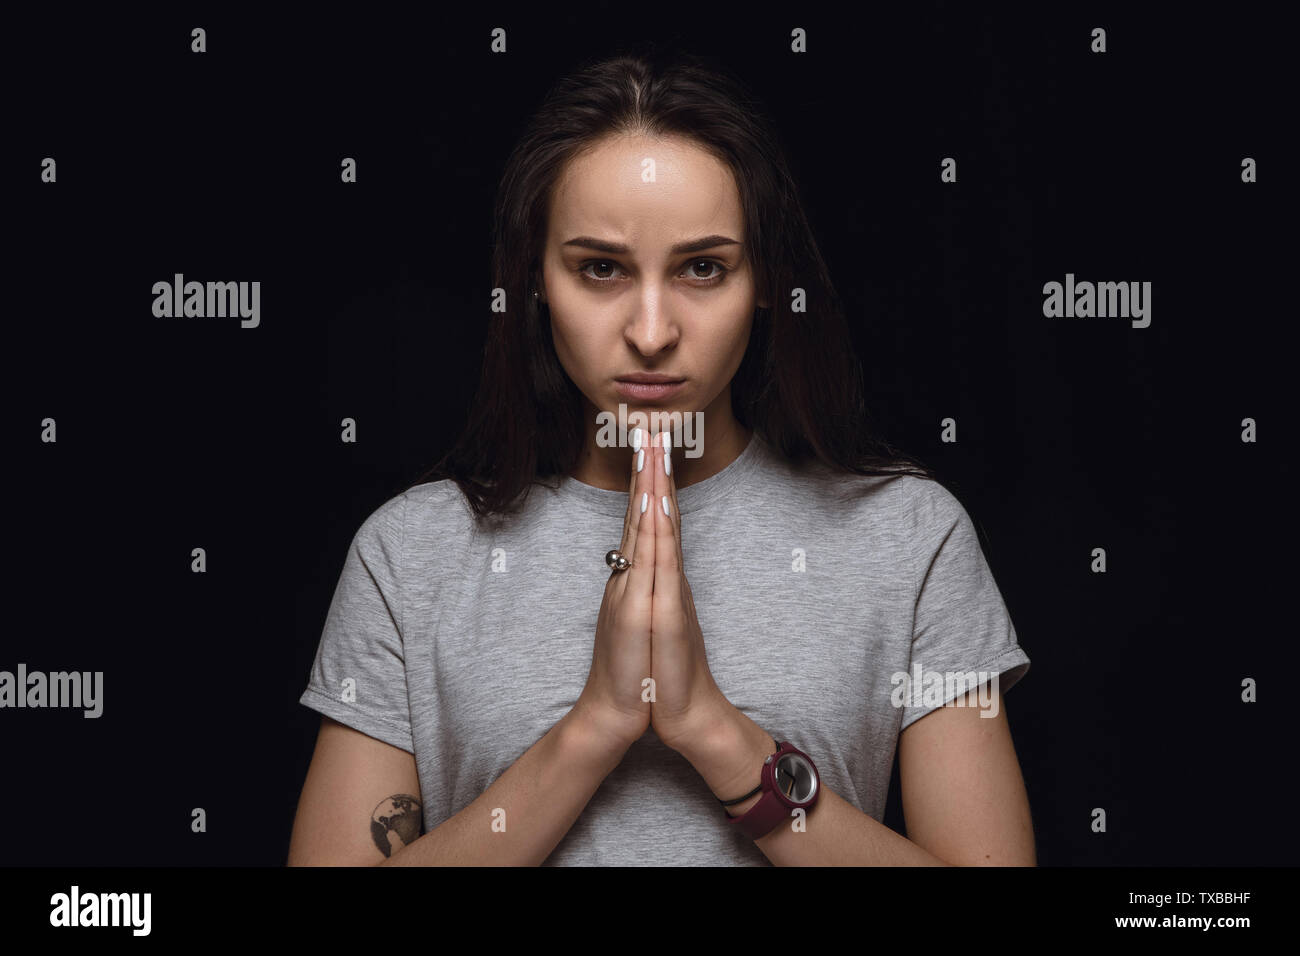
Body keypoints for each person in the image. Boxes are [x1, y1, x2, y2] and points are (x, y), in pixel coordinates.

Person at [287, 48, 1034, 866]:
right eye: (600, 268)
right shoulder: (408, 555)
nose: (651, 332)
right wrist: (596, 726)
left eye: (703, 268)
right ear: (535, 280)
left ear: (763, 283)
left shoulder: (911, 536)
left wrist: (714, 733)